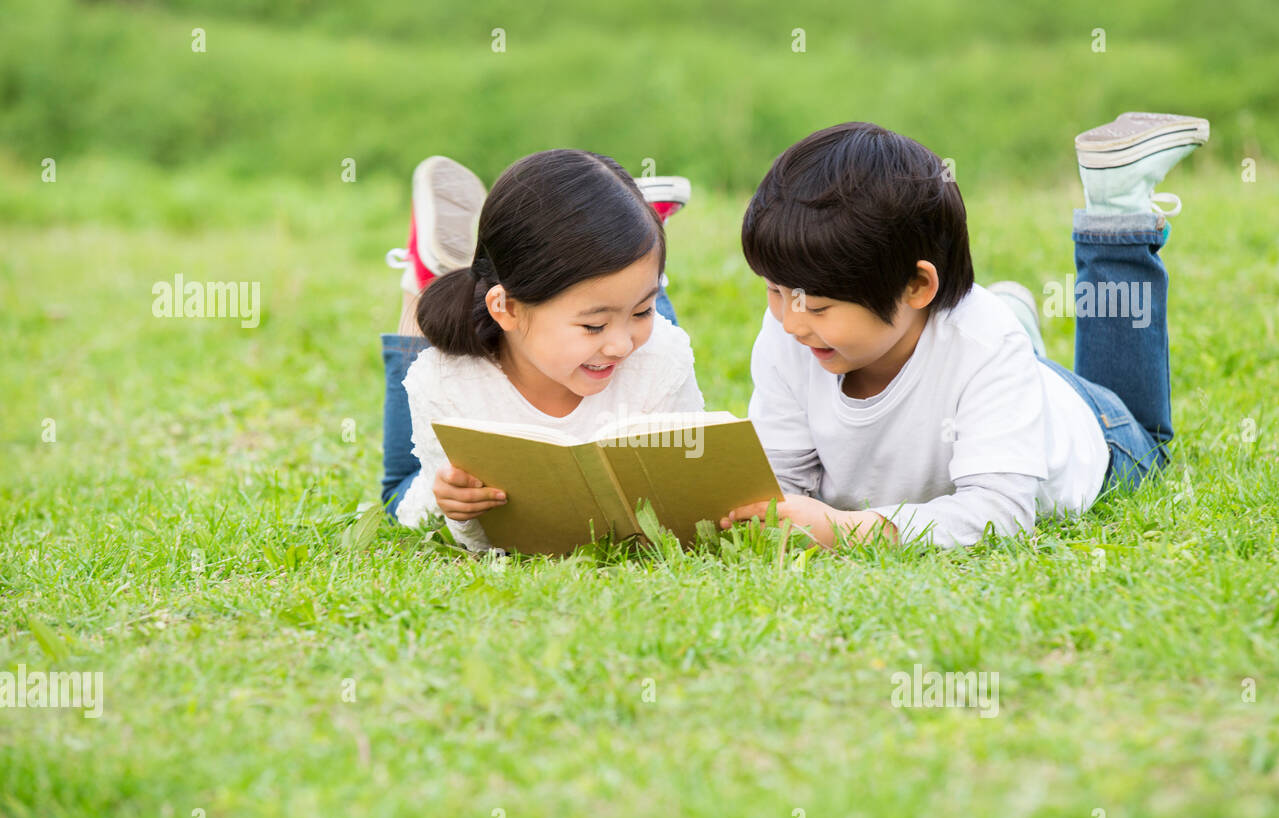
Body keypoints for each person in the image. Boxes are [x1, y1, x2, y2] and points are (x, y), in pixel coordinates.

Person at [721, 113, 1209, 548]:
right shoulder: (792, 329)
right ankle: (1021, 336)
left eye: (821, 307)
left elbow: (1001, 515)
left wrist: (847, 531)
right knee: (989, 351)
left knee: (1148, 438)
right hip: (989, 371)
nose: (790, 321)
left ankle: (1116, 209)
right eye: (774, 291)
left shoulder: (984, 345)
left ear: (916, 285)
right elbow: (778, 484)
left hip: (1097, 429)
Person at [378, 149, 703, 550]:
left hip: (603, 298)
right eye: (593, 325)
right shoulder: (446, 378)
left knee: (646, 326)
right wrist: (456, 504)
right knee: (397, 496)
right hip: (453, 397)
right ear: (509, 309)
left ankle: (630, 232)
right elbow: (478, 541)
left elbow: (691, 496)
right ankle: (425, 276)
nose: (621, 346)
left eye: (643, 310)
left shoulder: (660, 356)